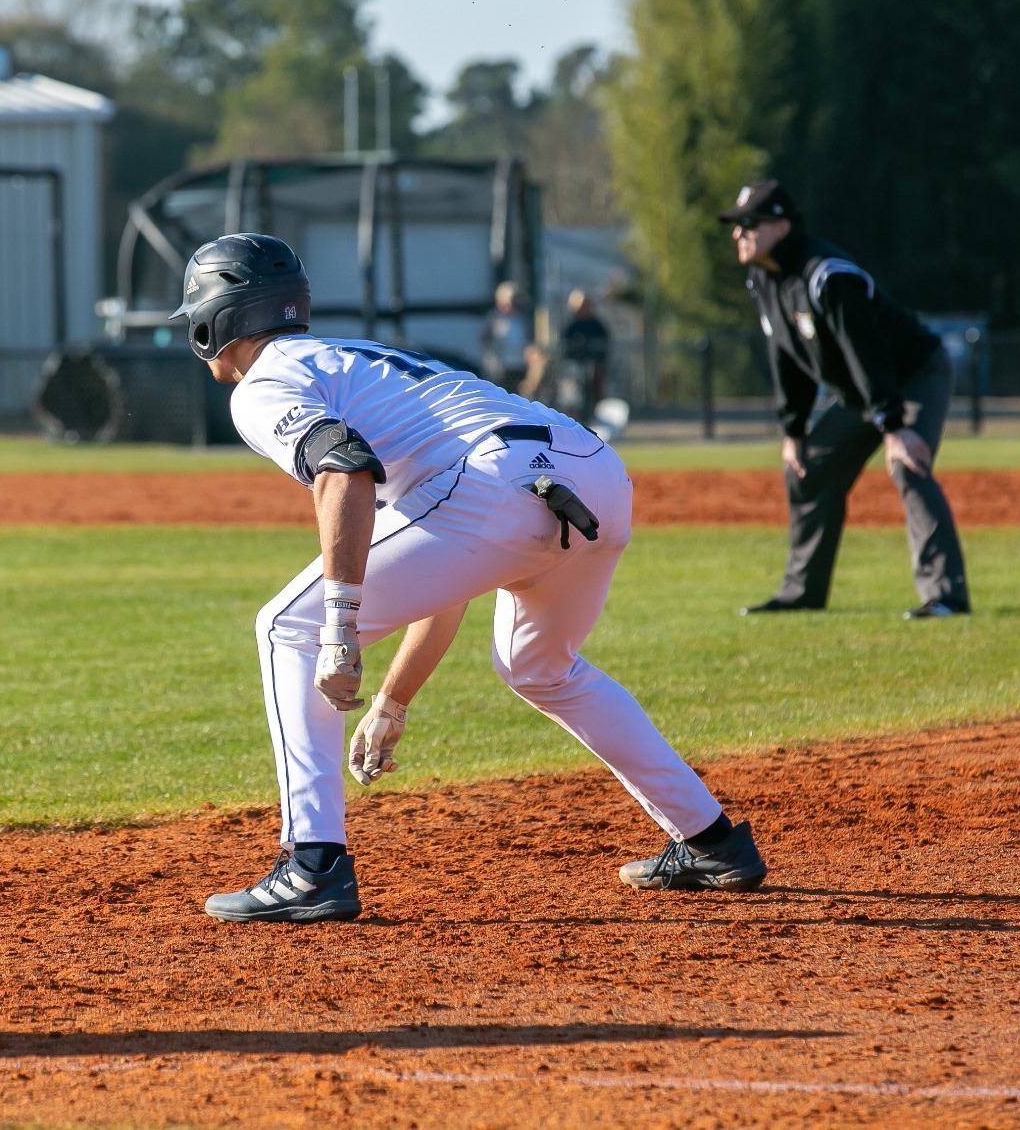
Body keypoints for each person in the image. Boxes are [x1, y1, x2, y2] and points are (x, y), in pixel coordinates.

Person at [173, 233, 767, 923]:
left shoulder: (265, 381)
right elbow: (451, 559)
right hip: (592, 470)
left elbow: (343, 465)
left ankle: (313, 864)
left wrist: (340, 623)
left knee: (288, 625)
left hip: (493, 483)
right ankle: (711, 839)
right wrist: (392, 701)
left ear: (214, 318)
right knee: (538, 665)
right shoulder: (354, 359)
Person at [721, 180, 970, 620]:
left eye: (748, 224)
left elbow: (867, 354)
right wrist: (794, 430)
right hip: (862, 392)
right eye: (736, 225)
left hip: (913, 375)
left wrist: (894, 428)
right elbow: (786, 354)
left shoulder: (829, 276)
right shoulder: (764, 277)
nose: (738, 234)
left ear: (780, 225)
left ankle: (946, 597)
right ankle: (802, 594)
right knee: (807, 469)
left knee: (907, 463)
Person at [560, 289, 611, 423]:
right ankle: (573, 418)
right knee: (572, 393)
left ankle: (595, 416)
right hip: (575, 365)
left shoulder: (597, 325)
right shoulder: (572, 326)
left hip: (592, 364)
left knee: (594, 389)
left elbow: (604, 345)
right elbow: (566, 347)